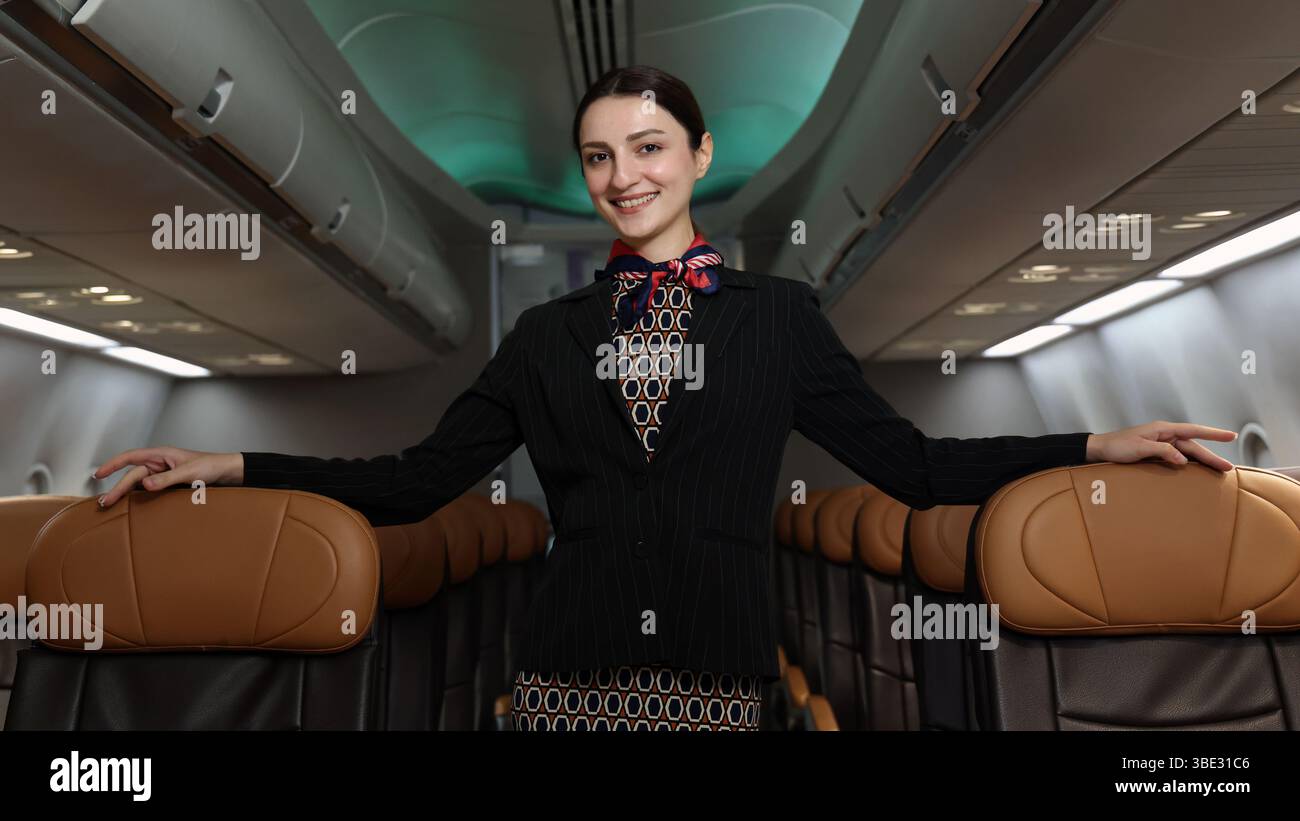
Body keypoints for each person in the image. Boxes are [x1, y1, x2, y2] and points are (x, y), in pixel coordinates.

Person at [94, 65, 1238, 731]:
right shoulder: (545, 337)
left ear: (698, 155)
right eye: (597, 158)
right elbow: (410, 484)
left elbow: (916, 468)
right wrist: (228, 466)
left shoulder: (777, 321)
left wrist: (1097, 443)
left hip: (724, 676)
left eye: (647, 147)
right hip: (564, 680)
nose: (623, 177)